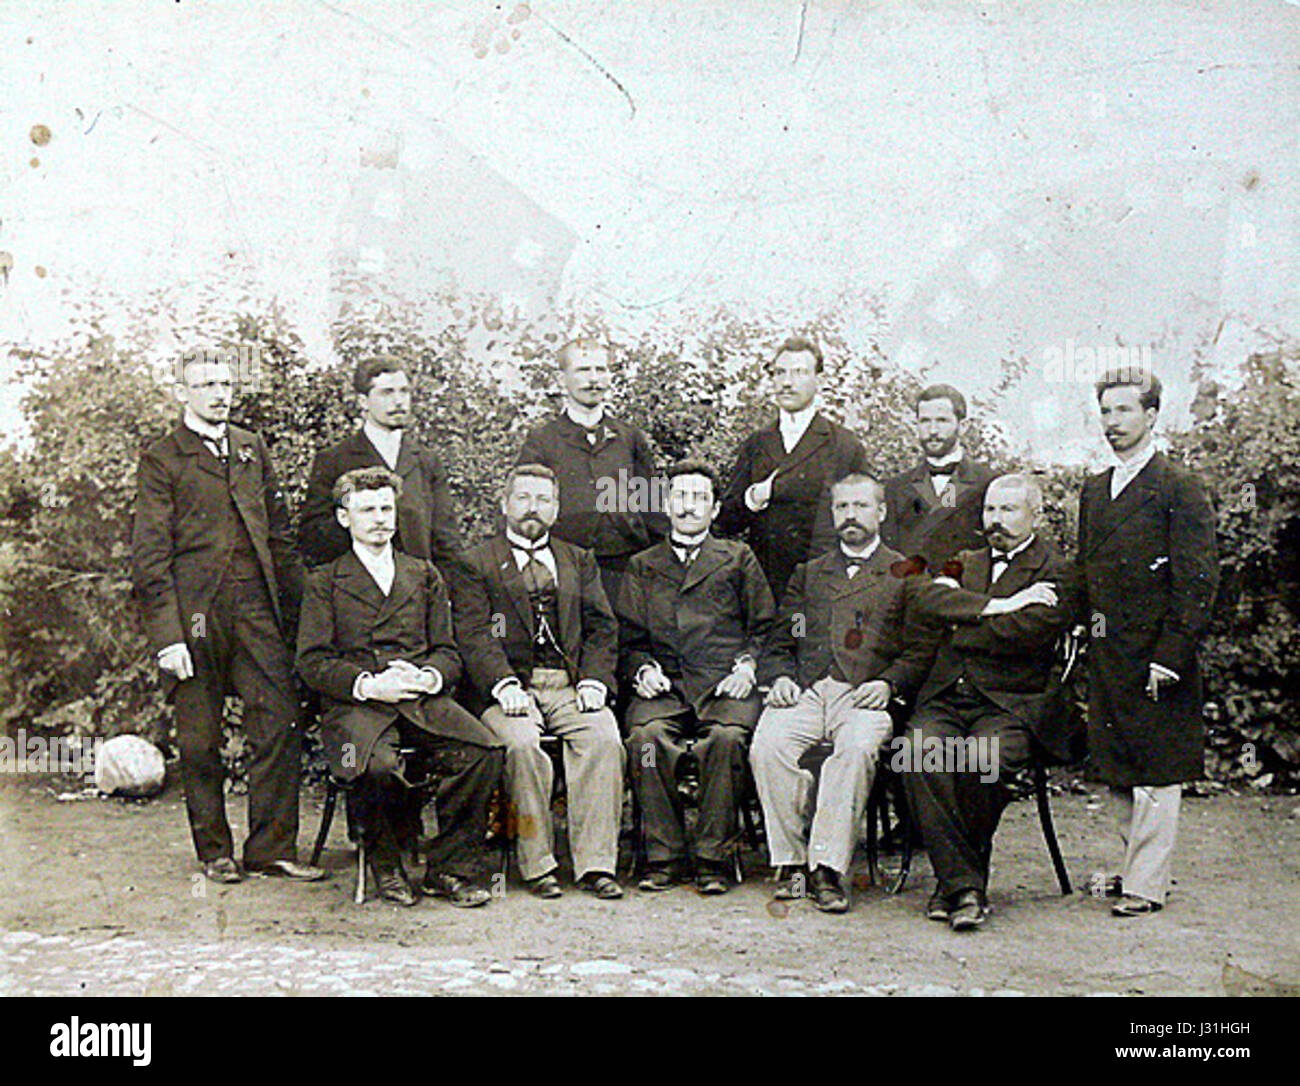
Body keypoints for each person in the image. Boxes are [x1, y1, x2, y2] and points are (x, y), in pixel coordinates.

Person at [131, 355, 324, 884]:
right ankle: (214, 850)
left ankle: (270, 848)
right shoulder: (163, 458)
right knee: (199, 737)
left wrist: (307, 617)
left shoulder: (250, 446)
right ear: (182, 392)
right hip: (195, 615)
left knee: (280, 719)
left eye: (225, 383)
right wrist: (168, 637)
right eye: (206, 385)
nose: (219, 393)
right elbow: (149, 556)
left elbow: (279, 538)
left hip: (256, 607)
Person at [295, 467, 503, 908]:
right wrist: (369, 685)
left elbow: (447, 651)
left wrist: (429, 676)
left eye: (386, 508)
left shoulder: (423, 574)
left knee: (482, 751)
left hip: (418, 699)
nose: (379, 519)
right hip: (357, 706)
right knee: (378, 767)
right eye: (367, 509)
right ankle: (385, 864)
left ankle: (449, 869)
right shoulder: (325, 581)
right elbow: (312, 662)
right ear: (344, 517)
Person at [749, 472, 932, 913]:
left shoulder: (905, 573)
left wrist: (889, 683)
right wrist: (781, 677)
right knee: (767, 745)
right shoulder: (809, 574)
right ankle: (792, 861)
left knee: (854, 749)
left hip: (865, 693)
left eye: (860, 506)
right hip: (809, 689)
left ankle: (827, 868)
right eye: (842, 507)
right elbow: (782, 640)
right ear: (832, 514)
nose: (851, 515)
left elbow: (921, 648)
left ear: (881, 512)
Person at [1074, 369, 1218, 917]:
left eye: (1124, 410)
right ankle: (1136, 866)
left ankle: (1147, 884)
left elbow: (1197, 579)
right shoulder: (1095, 489)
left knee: (1157, 769)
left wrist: (1171, 654)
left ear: (1151, 416)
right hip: (1109, 650)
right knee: (1118, 767)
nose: (1112, 422)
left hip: (1157, 650)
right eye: (1106, 412)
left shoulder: (1178, 486)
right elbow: (1086, 571)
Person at [900, 474, 1072, 931]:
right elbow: (925, 600)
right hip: (947, 697)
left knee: (984, 759)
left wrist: (962, 618)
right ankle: (965, 887)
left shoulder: (1056, 571)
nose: (996, 520)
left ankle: (954, 887)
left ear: (1036, 515)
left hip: (1009, 704)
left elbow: (1026, 633)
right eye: (990, 510)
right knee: (916, 752)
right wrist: (1001, 606)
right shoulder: (964, 560)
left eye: (1008, 510)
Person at [450, 464, 626, 900]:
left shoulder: (578, 560)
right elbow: (473, 633)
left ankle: (596, 865)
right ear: (505, 504)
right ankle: (537, 865)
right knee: (522, 745)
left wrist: (594, 681)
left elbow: (602, 628)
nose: (533, 508)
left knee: (604, 739)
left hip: (568, 685)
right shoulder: (476, 563)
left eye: (543, 500)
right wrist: (504, 684)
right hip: (508, 690)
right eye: (524, 498)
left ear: (557, 508)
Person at [616, 461, 776, 894]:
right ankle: (663, 857)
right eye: (680, 497)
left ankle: (713, 859)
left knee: (726, 739)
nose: (689, 507)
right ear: (667, 505)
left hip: (724, 686)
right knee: (645, 739)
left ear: (715, 508)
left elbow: (764, 627)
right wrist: (641, 669)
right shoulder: (643, 565)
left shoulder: (738, 558)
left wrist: (747, 667)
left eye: (699, 498)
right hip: (664, 688)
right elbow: (627, 636)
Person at [717, 336, 872, 601]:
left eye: (799, 372)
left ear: (818, 380)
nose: (787, 382)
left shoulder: (844, 445)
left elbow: (866, 523)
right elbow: (726, 521)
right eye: (780, 373)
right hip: (765, 589)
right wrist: (754, 498)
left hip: (823, 590)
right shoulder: (757, 443)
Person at [516, 337, 666, 606]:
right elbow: (525, 509)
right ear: (562, 379)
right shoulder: (543, 440)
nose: (594, 379)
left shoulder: (629, 438)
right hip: (567, 570)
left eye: (601, 370)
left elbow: (651, 508)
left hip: (624, 567)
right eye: (583, 370)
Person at [299, 358, 462, 575]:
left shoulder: (426, 462)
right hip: (358, 586)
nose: (398, 402)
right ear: (363, 401)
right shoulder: (335, 461)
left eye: (404, 392)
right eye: (387, 393)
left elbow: (446, 540)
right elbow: (314, 538)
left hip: (418, 586)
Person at [882, 383, 994, 573]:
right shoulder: (895, 488)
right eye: (925, 421)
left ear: (963, 426)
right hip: (909, 587)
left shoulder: (988, 483)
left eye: (942, 421)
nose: (933, 430)